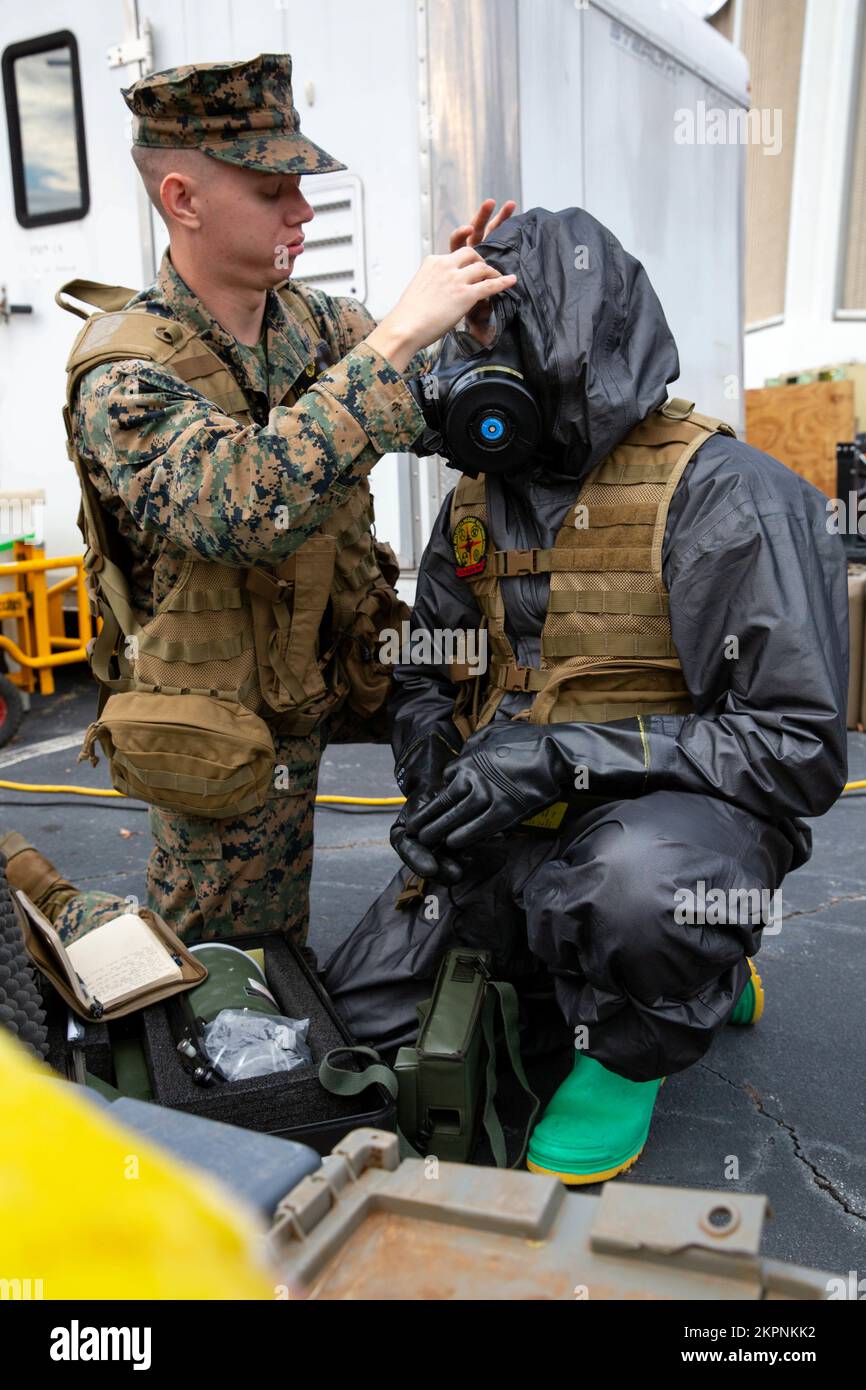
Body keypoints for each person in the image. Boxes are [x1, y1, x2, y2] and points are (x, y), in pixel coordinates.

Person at [322, 206, 849, 1184]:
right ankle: (649, 964)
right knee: (360, 1018)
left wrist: (567, 752)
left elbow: (797, 745)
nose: (454, 376)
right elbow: (427, 664)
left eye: (486, 340)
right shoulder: (472, 505)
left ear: (566, 342)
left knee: (639, 897)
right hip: (511, 821)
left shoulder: (730, 495)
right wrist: (430, 761)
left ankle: (637, 1037)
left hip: (659, 830)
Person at [46, 52, 516, 949]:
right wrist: (393, 346)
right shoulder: (124, 375)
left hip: (344, 655)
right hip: (225, 718)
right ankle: (69, 925)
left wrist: (482, 338)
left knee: (520, 714)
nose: (303, 211)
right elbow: (238, 507)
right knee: (237, 988)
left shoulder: (320, 325)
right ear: (184, 200)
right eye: (273, 191)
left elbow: (445, 410)